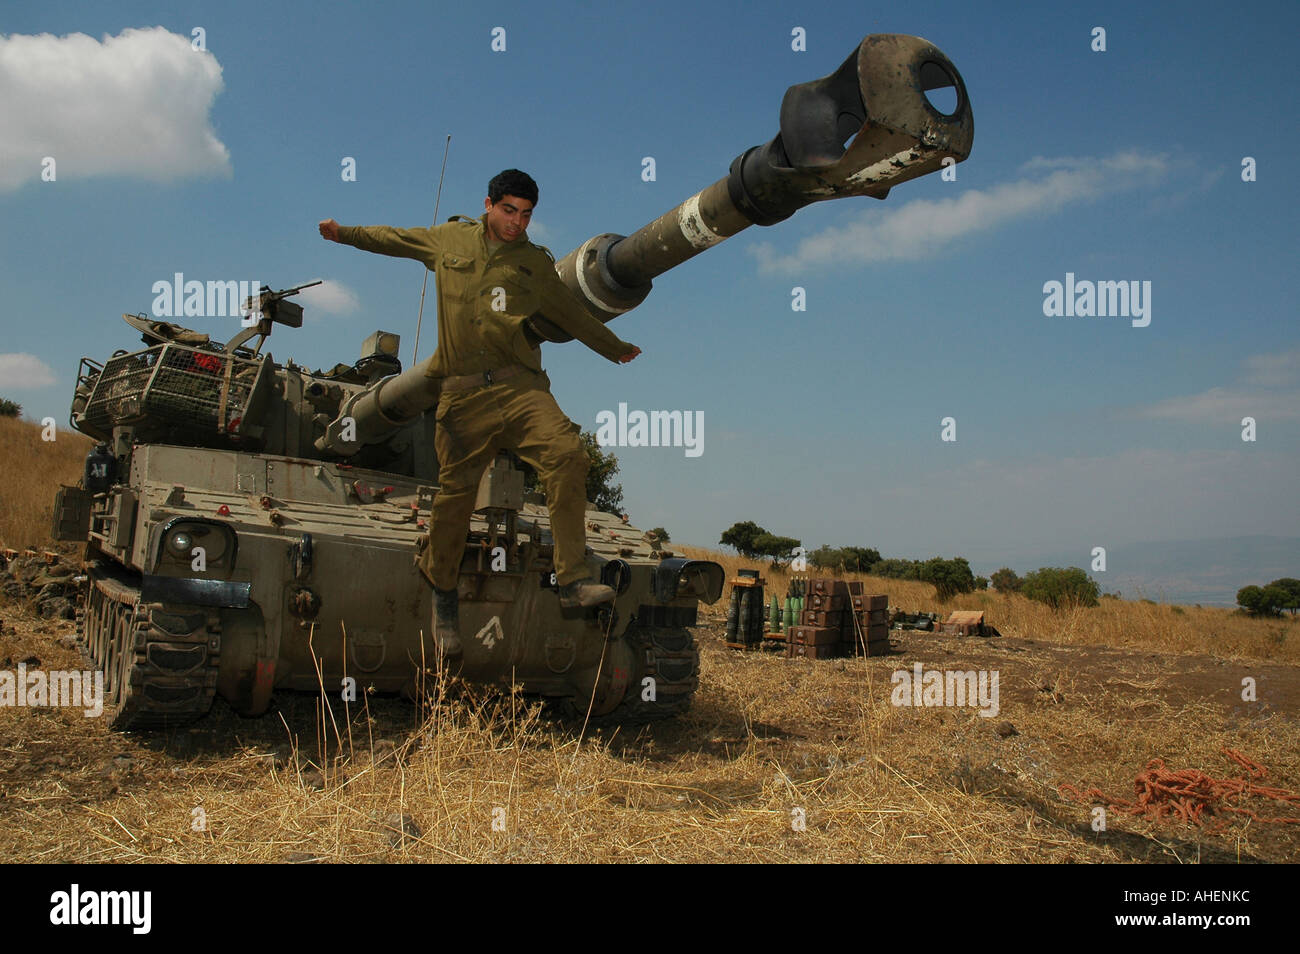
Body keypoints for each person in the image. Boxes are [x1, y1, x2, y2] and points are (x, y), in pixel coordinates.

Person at [319, 169, 641, 657]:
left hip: (519, 388)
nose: (517, 222)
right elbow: (395, 239)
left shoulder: (534, 264)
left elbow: (573, 314)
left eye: (527, 215)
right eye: (509, 211)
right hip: (463, 396)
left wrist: (613, 347)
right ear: (489, 204)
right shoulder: (450, 239)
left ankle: (573, 578)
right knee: (454, 497)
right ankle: (442, 592)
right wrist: (344, 234)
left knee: (568, 456)